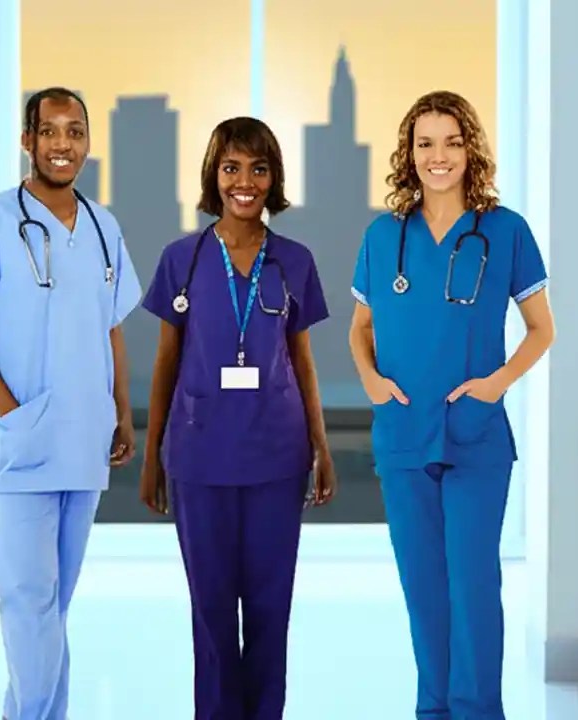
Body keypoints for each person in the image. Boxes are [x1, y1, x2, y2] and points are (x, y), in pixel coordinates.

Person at [347, 90, 555, 720]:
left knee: (472, 588)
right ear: (408, 154)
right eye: (425, 144)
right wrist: (371, 381)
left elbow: (542, 328)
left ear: (472, 150)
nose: (439, 157)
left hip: (475, 437)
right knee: (424, 593)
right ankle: (431, 711)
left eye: (453, 142)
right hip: (404, 435)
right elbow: (361, 328)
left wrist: (497, 383)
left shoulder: (505, 230)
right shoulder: (385, 237)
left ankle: (476, 712)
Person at [0, 86, 141, 720]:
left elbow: (112, 326)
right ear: (28, 141)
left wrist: (122, 410)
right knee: (28, 603)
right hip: (24, 441)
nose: (63, 143)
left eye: (75, 130)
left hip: (84, 438)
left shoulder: (104, 227)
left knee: (52, 609)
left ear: (87, 141)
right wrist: (10, 411)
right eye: (49, 130)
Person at [138, 116, 337, 720]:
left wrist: (321, 448)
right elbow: (166, 360)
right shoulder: (183, 259)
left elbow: (301, 360)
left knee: (272, 611)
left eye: (258, 168)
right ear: (213, 176)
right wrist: (153, 458)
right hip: (200, 459)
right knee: (213, 613)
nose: (244, 182)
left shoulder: (294, 262)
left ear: (273, 177)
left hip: (277, 457)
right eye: (231, 168)